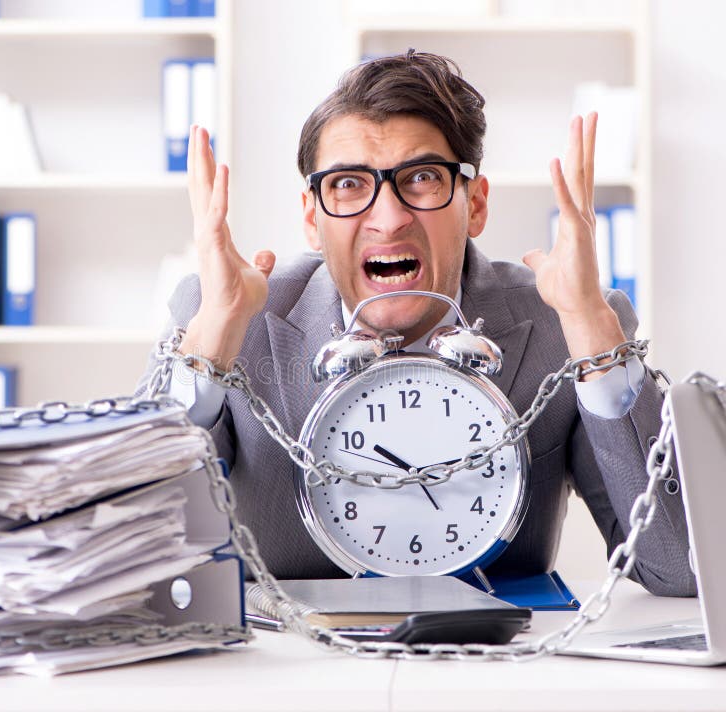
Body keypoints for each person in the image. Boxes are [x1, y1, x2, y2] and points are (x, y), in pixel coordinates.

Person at [137, 51, 694, 596]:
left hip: (497, 652)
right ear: (312, 217)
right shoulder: (225, 315)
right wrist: (213, 337)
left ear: (475, 204)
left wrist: (590, 324)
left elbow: (682, 571)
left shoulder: (562, 325)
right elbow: (128, 559)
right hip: (288, 652)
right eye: (348, 184)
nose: (389, 218)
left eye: (422, 177)